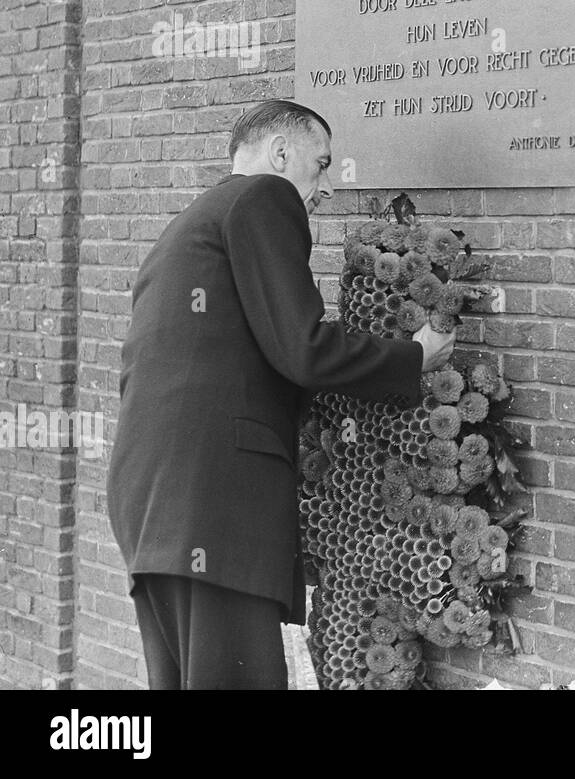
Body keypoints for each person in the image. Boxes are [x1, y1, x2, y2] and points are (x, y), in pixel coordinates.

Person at [107, 99, 454, 689]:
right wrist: (414, 356)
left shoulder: (191, 221)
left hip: (156, 506)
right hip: (213, 504)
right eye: (320, 166)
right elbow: (302, 348)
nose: (323, 189)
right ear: (280, 153)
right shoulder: (263, 198)